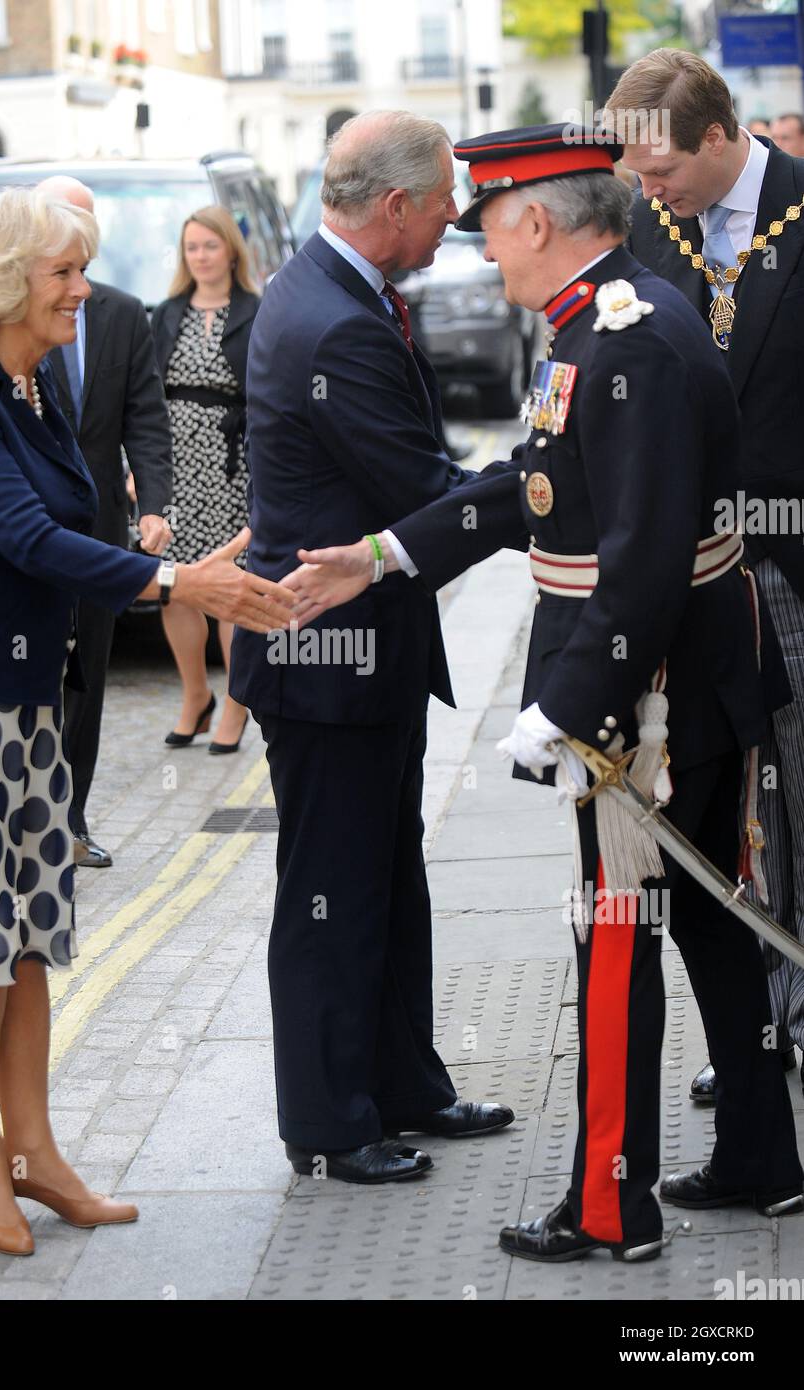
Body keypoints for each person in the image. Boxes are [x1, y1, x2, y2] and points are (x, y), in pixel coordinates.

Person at [282, 124, 804, 1256]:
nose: (483, 255)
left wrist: (574, 706)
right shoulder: (602, 323)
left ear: (536, 222)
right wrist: (381, 556)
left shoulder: (629, 341)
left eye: (491, 230)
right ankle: (766, 1154)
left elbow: (648, 558)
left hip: (651, 697)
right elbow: (528, 488)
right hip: (680, 677)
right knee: (713, 924)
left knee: (614, 934)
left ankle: (612, 1206)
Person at [0, 186, 293, 1258]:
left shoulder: (32, 386)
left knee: (34, 930)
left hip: (25, 693)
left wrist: (170, 565)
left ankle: (36, 1150)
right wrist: (178, 580)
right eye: (63, 274)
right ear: (7, 284)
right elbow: (28, 537)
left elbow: (62, 529)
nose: (84, 290)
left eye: (81, 271)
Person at [230, 110, 515, 1186]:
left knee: (389, 879)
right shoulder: (336, 322)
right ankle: (331, 1121)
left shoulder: (335, 290)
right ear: (395, 205)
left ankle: (404, 1086)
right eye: (445, 201)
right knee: (330, 893)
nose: (456, 219)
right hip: (326, 659)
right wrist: (542, 484)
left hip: (365, 648)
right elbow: (421, 490)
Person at [608, 49, 804, 1103]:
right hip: (698, 576)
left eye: (661, 171)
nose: (649, 193)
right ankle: (758, 1038)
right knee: (730, 811)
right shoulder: (652, 230)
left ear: (719, 136)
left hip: (796, 564)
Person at [38, 175, 173, 870]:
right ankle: (22, 823)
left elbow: (145, 417)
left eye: (84, 225)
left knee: (87, 676)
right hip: (27, 533)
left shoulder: (122, 314)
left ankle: (71, 822)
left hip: (98, 527)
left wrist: (152, 504)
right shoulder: (13, 313)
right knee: (31, 674)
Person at [151, 207, 259, 754]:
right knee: (177, 590)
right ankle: (195, 697)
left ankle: (235, 707)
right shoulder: (166, 314)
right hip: (175, 469)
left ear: (230, 251)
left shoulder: (256, 312)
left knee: (229, 592)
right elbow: (143, 402)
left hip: (232, 466)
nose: (200, 256)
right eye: (191, 247)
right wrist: (137, 475)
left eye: (209, 246)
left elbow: (267, 397)